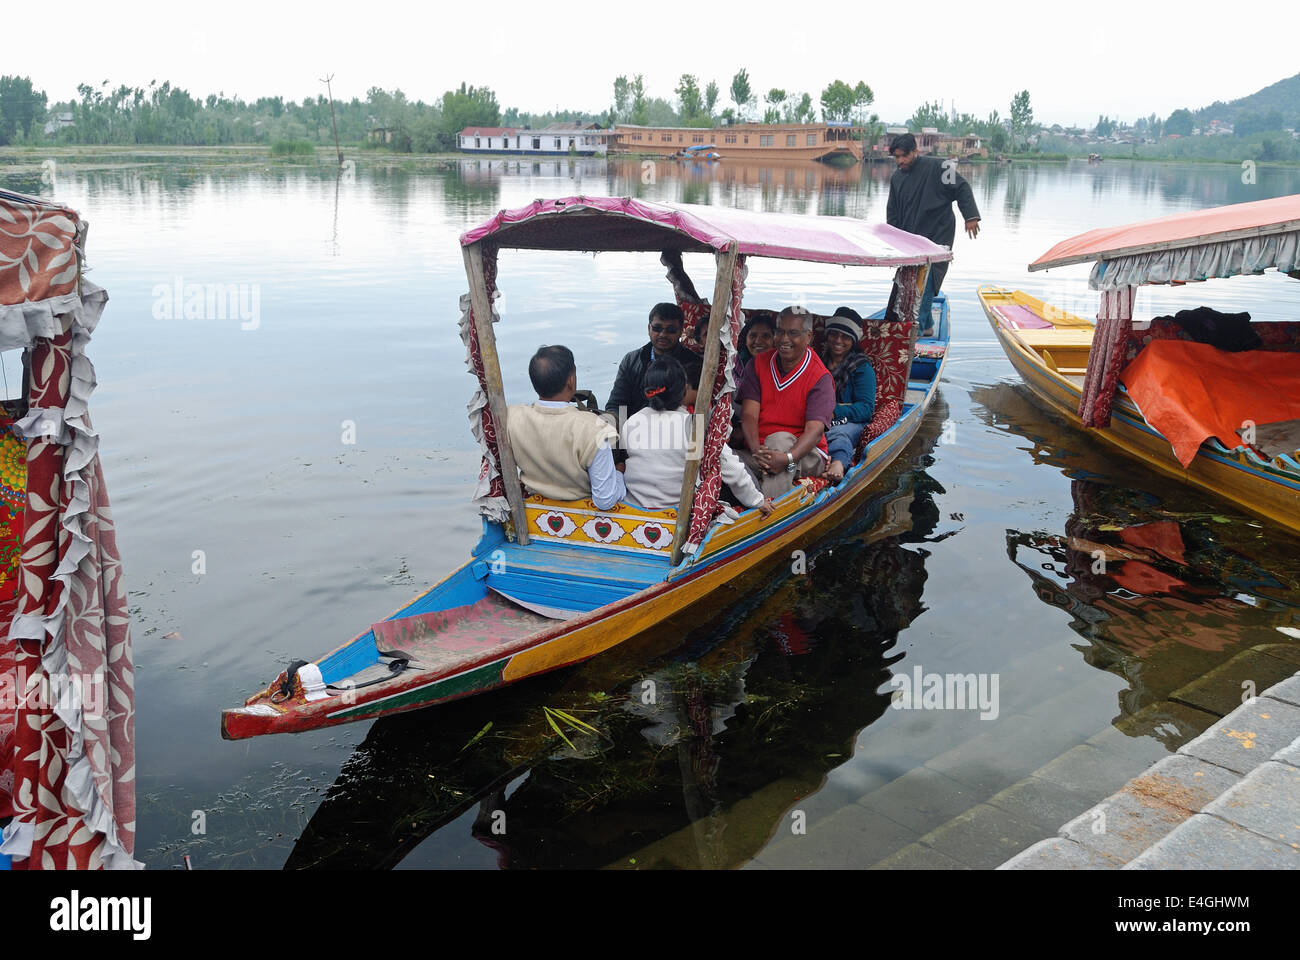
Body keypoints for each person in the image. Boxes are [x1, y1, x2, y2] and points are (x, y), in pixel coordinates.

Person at [621, 357, 773, 516]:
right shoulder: (693, 427)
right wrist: (758, 502)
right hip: (677, 514)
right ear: (684, 390)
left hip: (634, 509)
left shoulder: (631, 422)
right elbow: (733, 470)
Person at [506, 345, 625, 509]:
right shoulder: (594, 428)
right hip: (582, 521)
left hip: (534, 514)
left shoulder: (511, 417)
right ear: (571, 380)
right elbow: (605, 500)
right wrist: (619, 474)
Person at [886, 132, 981, 335]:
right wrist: (891, 239)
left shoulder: (940, 167)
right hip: (909, 242)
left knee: (924, 285)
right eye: (896, 157)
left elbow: (962, 187)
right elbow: (892, 212)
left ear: (915, 152)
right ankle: (928, 326)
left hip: (936, 239)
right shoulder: (896, 178)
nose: (900, 161)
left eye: (904, 156)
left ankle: (916, 334)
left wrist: (970, 216)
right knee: (908, 285)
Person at [737, 306, 835, 498]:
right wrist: (757, 450)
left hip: (805, 454)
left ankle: (771, 515)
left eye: (793, 333)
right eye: (780, 332)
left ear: (809, 337)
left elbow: (814, 432)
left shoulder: (819, 376)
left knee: (779, 440)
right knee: (722, 456)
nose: (784, 339)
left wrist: (786, 458)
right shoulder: (757, 364)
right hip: (762, 452)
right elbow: (749, 414)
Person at [606, 303, 703, 421]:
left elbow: (701, 409)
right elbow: (617, 404)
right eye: (657, 328)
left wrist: (696, 437)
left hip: (680, 430)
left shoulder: (694, 363)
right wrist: (618, 429)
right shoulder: (631, 360)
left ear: (681, 331)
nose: (663, 334)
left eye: (671, 330)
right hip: (635, 431)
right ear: (649, 328)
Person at [818, 307, 876, 483]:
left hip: (849, 421)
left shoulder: (862, 367)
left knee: (839, 433)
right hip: (818, 415)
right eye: (834, 334)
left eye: (845, 337)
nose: (838, 340)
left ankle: (838, 464)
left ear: (853, 340)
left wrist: (834, 412)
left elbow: (866, 409)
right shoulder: (818, 360)